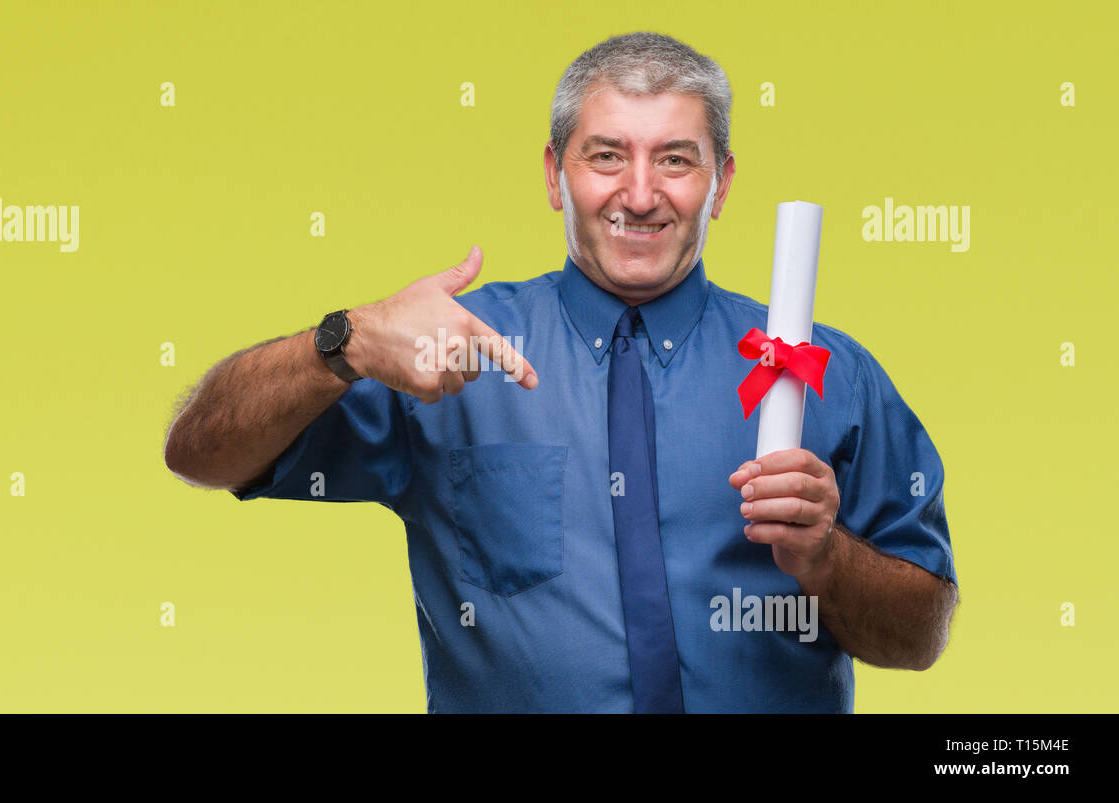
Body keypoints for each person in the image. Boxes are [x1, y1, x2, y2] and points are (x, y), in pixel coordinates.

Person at [164, 31, 958, 713]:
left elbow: (922, 634)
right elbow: (199, 453)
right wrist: (341, 343)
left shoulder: (830, 374)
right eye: (606, 155)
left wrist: (827, 559)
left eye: (676, 160)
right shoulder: (444, 353)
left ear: (721, 184)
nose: (640, 194)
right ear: (554, 175)